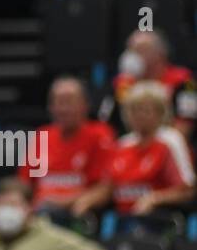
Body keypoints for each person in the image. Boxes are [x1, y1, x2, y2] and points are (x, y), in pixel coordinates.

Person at [78, 81, 196, 217]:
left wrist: (155, 199)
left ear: (160, 113)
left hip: (158, 219)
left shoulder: (170, 140)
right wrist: (86, 201)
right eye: (134, 110)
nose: (140, 116)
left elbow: (187, 191)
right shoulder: (123, 144)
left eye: (146, 110)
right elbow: (107, 188)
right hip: (122, 220)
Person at [18, 76, 116, 215]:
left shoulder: (100, 135)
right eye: (58, 103)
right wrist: (13, 197)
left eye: (69, 102)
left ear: (85, 105)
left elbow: (105, 189)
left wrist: (78, 202)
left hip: (73, 214)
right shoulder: (42, 135)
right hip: (39, 214)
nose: (63, 109)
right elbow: (24, 183)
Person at [100, 30, 196, 142]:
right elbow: (105, 123)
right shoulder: (122, 84)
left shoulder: (184, 81)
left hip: (168, 145)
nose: (133, 56)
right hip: (129, 148)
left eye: (141, 50)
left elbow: (185, 124)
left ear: (160, 54)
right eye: (130, 50)